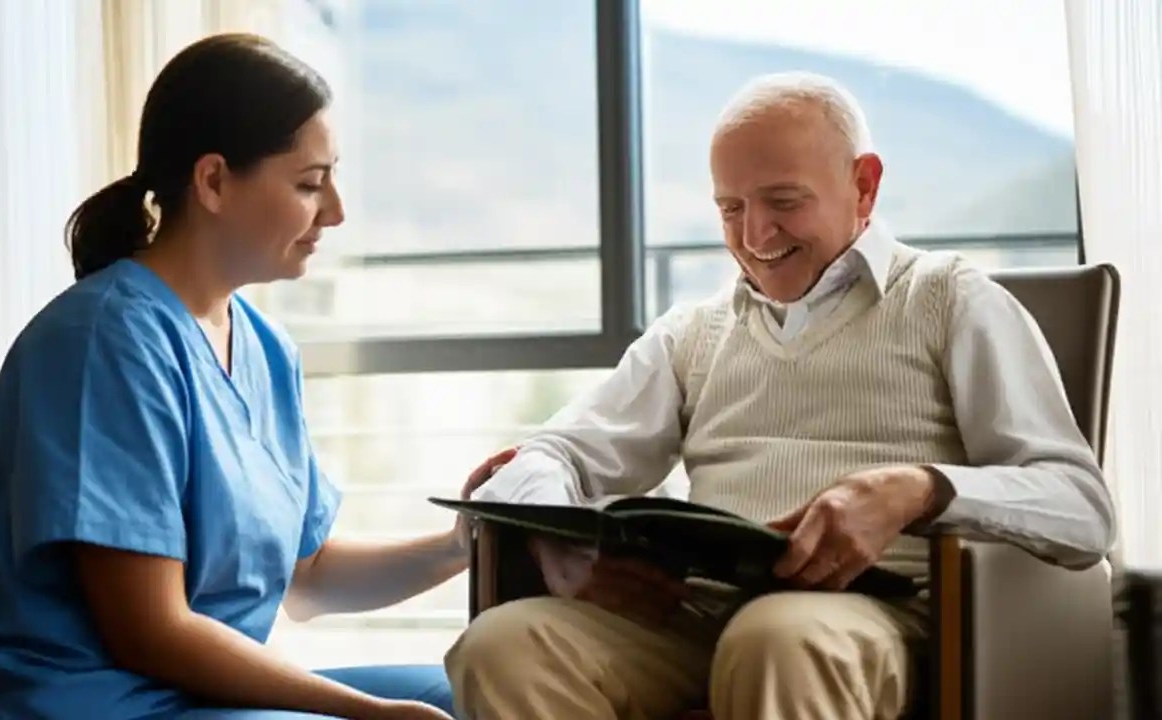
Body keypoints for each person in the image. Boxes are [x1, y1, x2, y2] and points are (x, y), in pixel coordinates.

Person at [446, 72, 1116, 720]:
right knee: (503, 647)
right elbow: (551, 454)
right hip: (695, 620)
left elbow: (1081, 506)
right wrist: (552, 540)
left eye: (784, 201)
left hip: (874, 621)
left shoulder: (952, 302)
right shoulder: (694, 334)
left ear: (864, 183)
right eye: (731, 208)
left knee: (774, 637)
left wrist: (919, 488)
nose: (755, 236)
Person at [0, 34, 509, 720]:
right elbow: (151, 630)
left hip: (185, 694)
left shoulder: (264, 348)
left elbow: (307, 577)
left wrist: (463, 541)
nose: (336, 211)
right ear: (214, 181)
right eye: (310, 184)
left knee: (476, 693)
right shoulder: (105, 341)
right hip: (85, 702)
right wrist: (367, 711)